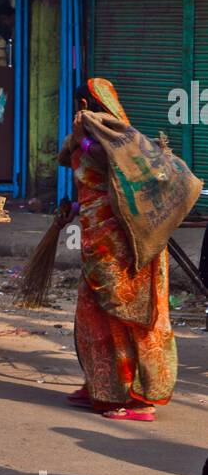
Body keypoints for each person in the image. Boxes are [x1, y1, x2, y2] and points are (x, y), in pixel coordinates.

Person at [59, 78, 177, 421]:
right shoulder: (88, 139)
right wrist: (76, 209)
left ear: (86, 104)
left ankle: (138, 399)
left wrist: (83, 134)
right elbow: (97, 186)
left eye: (82, 105)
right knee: (91, 317)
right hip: (98, 247)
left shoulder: (116, 139)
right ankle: (100, 386)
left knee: (126, 318)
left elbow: (111, 165)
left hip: (124, 251)